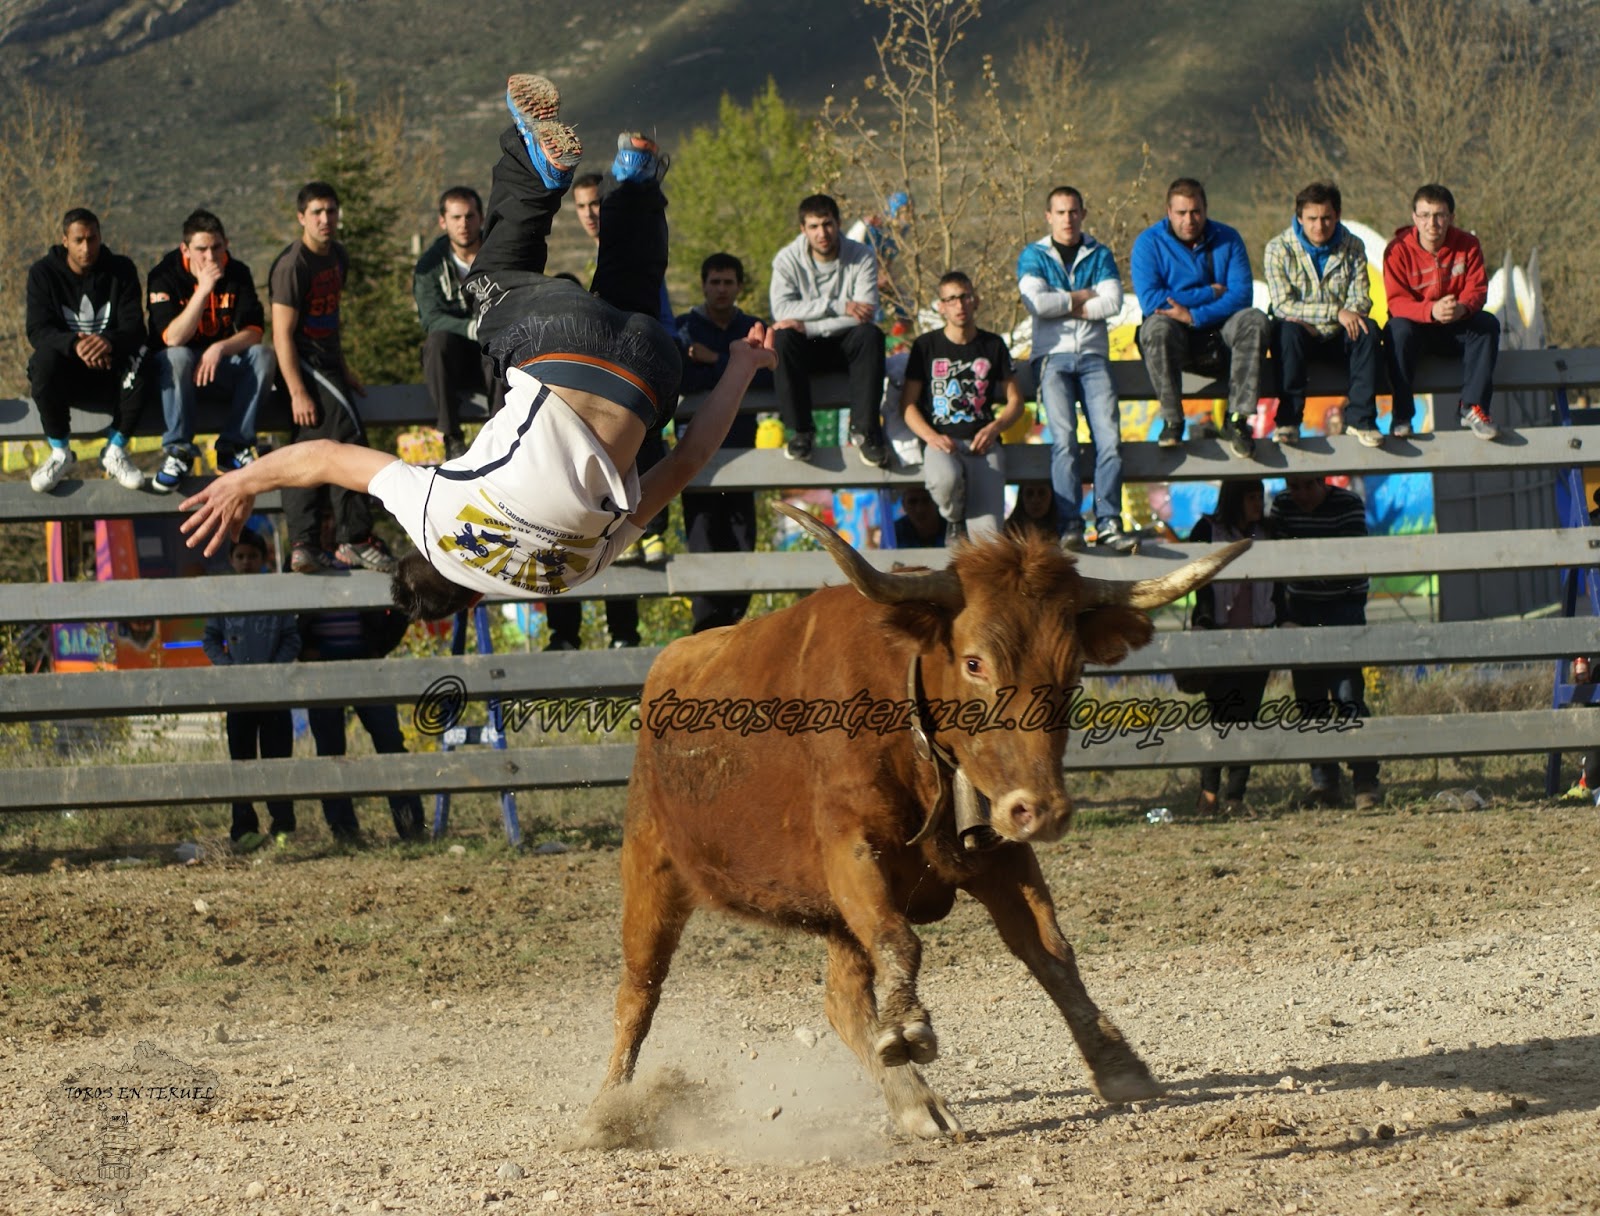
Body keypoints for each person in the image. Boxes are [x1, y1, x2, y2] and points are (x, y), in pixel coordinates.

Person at [181, 73, 777, 624]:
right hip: (558, 345)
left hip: (649, 369)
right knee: (490, 283)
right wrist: (242, 483)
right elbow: (325, 457)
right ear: (419, 550)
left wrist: (742, 365)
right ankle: (535, 168)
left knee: (633, 306)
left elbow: (691, 458)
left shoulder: (570, 577)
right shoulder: (432, 519)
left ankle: (638, 183)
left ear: (472, 598)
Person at [270, 181, 395, 574]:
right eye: (317, 212)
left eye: (332, 211)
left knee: (310, 447)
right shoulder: (294, 265)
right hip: (304, 366)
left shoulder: (338, 257)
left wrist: (344, 370)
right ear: (301, 218)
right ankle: (355, 537)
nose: (326, 219)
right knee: (351, 440)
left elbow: (332, 322)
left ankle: (305, 544)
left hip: (328, 367)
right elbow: (281, 334)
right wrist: (297, 392)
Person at [1017, 185, 1131, 551]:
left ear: (1083, 213)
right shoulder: (1033, 255)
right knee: (1064, 441)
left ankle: (1108, 520)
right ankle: (1069, 525)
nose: (1068, 219)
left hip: (1094, 356)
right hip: (1052, 357)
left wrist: (1061, 304)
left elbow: (1113, 303)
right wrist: (1082, 297)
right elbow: (1036, 303)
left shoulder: (1099, 253)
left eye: (1073, 212)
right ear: (1049, 216)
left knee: (1109, 439)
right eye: (1060, 212)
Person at [1131, 178, 1268, 459]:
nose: (1189, 220)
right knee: (1154, 328)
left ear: (1206, 209)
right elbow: (1152, 301)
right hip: (1173, 334)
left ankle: (1237, 420)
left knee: (1254, 319)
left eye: (1195, 212)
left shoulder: (1228, 238)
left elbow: (1242, 295)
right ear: (1168, 212)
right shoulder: (1148, 243)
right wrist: (1209, 292)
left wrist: (1194, 315)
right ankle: (1172, 421)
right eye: (1181, 213)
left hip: (1220, 332)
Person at [1271, 475, 1381, 810]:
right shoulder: (1284, 506)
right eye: (1294, 487)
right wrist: (1284, 612)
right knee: (1310, 698)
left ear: (1321, 482)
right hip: (1302, 607)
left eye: (1306, 486)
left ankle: (1364, 780)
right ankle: (1325, 783)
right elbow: (1276, 560)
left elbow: (1350, 562)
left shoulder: (1347, 504)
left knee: (1348, 693)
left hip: (1341, 606)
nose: (1300, 495)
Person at [146, 209, 275, 493]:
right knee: (177, 356)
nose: (210, 256)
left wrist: (219, 347)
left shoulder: (238, 273)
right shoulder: (164, 276)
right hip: (174, 379)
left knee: (263, 355)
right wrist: (203, 291)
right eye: (201, 249)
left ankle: (234, 446)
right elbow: (173, 337)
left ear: (226, 243)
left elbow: (254, 331)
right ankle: (179, 452)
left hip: (218, 368)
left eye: (216, 247)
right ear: (185, 249)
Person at [675, 252, 771, 633]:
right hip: (695, 458)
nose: (721, 289)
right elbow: (684, 379)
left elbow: (767, 379)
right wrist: (735, 367)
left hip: (740, 453)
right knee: (703, 544)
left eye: (728, 282)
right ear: (703, 285)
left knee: (741, 542)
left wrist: (714, 360)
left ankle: (738, 632)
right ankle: (706, 638)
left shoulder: (752, 328)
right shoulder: (684, 327)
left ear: (739, 286)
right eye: (714, 282)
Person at [25, 208, 149, 493]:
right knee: (41, 361)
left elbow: (134, 328)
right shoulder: (43, 274)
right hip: (67, 374)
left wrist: (108, 342)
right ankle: (60, 452)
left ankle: (115, 450)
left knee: (146, 356)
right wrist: (76, 345)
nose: (86, 248)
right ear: (64, 240)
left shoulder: (121, 270)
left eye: (92, 239)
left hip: (111, 370)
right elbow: (38, 330)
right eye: (79, 240)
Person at [900, 271, 1023, 543]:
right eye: (952, 299)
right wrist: (931, 437)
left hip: (983, 444)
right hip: (942, 442)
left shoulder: (993, 345)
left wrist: (996, 427)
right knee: (946, 479)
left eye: (965, 297)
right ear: (941, 306)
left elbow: (1015, 401)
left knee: (989, 542)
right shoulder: (926, 346)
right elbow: (907, 404)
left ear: (975, 300)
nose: (960, 305)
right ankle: (954, 518)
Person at [298, 593, 427, 843]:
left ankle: (411, 825)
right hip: (321, 664)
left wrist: (380, 645)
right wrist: (303, 649)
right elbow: (291, 612)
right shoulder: (304, 555)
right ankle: (344, 831)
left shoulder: (367, 553)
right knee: (330, 749)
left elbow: (399, 594)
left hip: (366, 658)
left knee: (389, 741)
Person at [770, 193, 887, 467]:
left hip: (848, 346)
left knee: (870, 335)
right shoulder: (786, 260)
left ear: (838, 223)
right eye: (813, 226)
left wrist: (809, 323)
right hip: (805, 350)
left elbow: (865, 314)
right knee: (782, 337)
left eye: (827, 224)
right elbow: (782, 313)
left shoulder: (862, 256)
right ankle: (800, 432)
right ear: (803, 229)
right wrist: (840, 305)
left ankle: (865, 432)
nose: (821, 233)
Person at [201, 528, 301, 849]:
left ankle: (283, 827)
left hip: (273, 695)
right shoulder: (223, 596)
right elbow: (211, 639)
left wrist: (272, 670)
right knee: (241, 761)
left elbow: (291, 637)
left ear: (263, 559)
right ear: (231, 560)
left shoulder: (274, 593)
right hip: (239, 695)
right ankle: (243, 829)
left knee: (277, 761)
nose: (246, 562)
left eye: (252, 556)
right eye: (240, 556)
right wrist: (230, 670)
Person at [1263, 182, 1379, 447]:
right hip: (1300, 338)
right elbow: (1282, 305)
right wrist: (1335, 313)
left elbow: (1361, 299)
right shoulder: (1277, 249)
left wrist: (1329, 321)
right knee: (1286, 331)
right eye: (1312, 219)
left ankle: (1362, 421)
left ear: (1337, 215)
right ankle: (1288, 422)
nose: (1319, 226)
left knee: (1367, 329)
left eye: (1326, 218)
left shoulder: (1354, 247)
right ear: (1300, 218)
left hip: (1339, 336)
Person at [1383, 184, 1501, 441]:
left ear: (1451, 218)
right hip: (1417, 330)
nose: (1432, 223)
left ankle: (1472, 407)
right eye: (1424, 215)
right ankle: (1402, 415)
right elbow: (1396, 302)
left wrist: (1462, 308)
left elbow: (1478, 289)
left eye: (1439, 215)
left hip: (1456, 326)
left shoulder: (1468, 245)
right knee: (1396, 330)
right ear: (1414, 217)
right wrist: (1431, 310)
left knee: (1487, 324)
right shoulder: (1397, 250)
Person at [1187, 479, 1277, 813]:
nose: (1257, 504)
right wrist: (1205, 620)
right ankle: (1208, 792)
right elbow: (1194, 580)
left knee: (1247, 718)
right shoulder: (1207, 529)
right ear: (1235, 499)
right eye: (1251, 497)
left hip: (1257, 633)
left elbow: (1278, 585)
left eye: (1260, 497)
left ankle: (1236, 795)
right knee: (1218, 716)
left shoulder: (1267, 532)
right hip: (1217, 635)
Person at [414, 185, 505, 462]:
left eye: (469, 216)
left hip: (491, 358)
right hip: (452, 361)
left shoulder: (499, 256)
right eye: (455, 218)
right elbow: (430, 318)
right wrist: (469, 328)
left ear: (481, 218)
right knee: (437, 342)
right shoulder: (429, 264)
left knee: (498, 348)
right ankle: (452, 437)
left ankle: (500, 437)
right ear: (443, 221)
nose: (463, 224)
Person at [891, 484, 948, 548]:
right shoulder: (894, 531)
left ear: (936, 502)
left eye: (926, 500)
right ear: (904, 505)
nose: (920, 509)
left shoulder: (951, 526)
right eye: (912, 502)